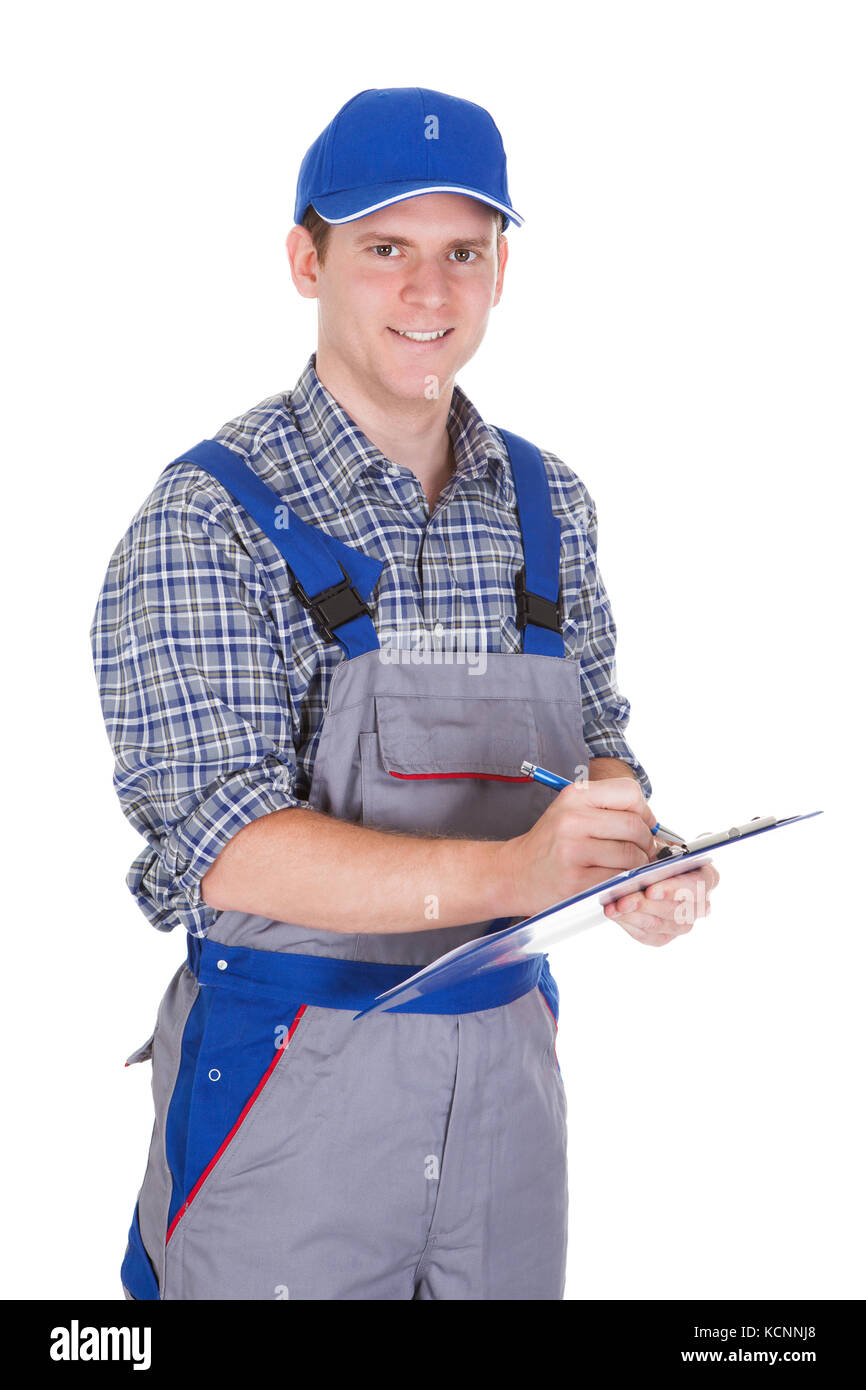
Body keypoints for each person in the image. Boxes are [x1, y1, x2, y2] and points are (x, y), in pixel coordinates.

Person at [90, 86, 718, 1302]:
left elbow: (594, 741)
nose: (429, 295)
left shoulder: (549, 504)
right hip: (287, 1102)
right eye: (384, 250)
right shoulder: (205, 517)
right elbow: (221, 844)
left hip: (506, 1101)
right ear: (303, 259)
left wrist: (632, 850)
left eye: (461, 254)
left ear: (500, 270)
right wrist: (513, 876)